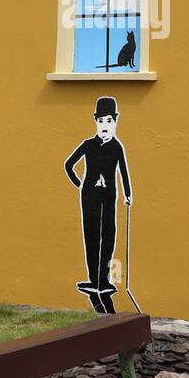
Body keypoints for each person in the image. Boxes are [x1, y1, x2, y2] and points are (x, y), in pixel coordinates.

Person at [63, 97, 133, 314]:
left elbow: (123, 172)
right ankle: (94, 280)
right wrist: (80, 184)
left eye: (109, 121)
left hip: (109, 197)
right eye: (101, 121)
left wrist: (128, 195)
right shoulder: (88, 144)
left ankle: (103, 281)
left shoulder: (116, 147)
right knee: (92, 236)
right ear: (96, 122)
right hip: (90, 196)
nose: (104, 125)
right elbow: (68, 164)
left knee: (108, 234)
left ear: (115, 121)